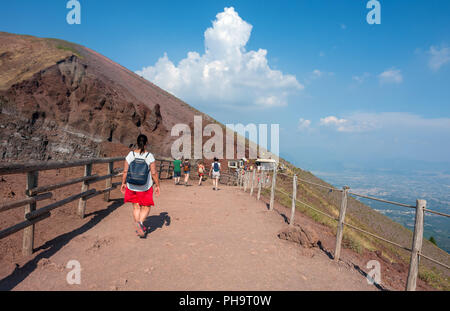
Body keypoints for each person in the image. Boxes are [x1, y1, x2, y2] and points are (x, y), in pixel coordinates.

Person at [121, 134, 160, 238]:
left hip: (131, 185)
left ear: (137, 143)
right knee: (146, 206)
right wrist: (157, 185)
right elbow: (154, 172)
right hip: (145, 187)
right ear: (146, 143)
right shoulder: (149, 156)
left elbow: (125, 171)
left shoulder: (130, 155)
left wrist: (123, 183)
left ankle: (138, 223)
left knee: (136, 206)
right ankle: (140, 224)